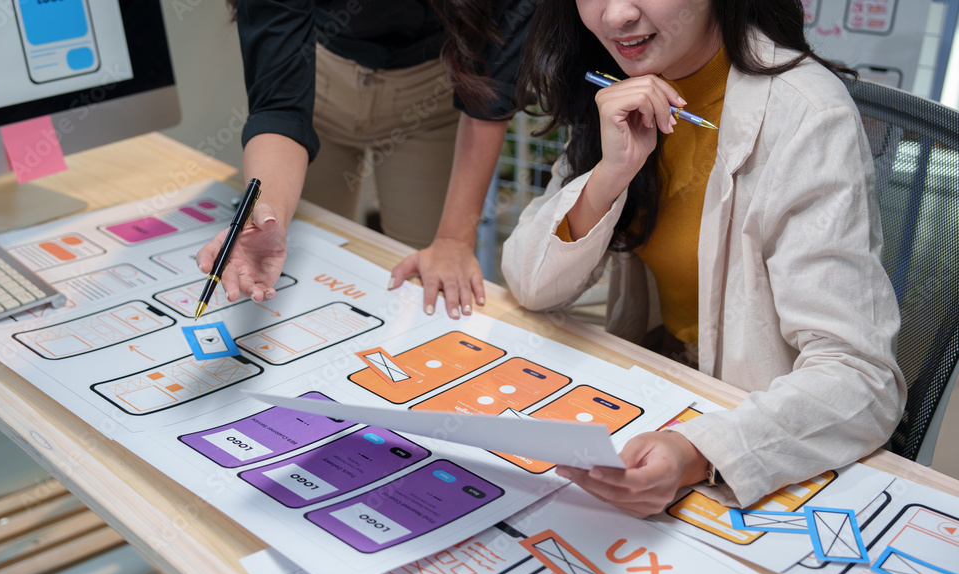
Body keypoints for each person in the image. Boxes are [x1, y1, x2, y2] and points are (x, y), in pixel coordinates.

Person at [502, 0, 906, 514]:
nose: (616, 15)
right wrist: (610, 175)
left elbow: (862, 380)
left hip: (757, 422)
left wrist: (700, 451)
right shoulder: (615, 85)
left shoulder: (808, 113)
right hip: (666, 386)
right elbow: (531, 284)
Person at [197, 0, 534, 319]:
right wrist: (267, 213)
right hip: (314, 80)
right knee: (303, 263)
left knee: (427, 283)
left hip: (431, 93)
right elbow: (279, 106)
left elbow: (491, 86)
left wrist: (454, 241)